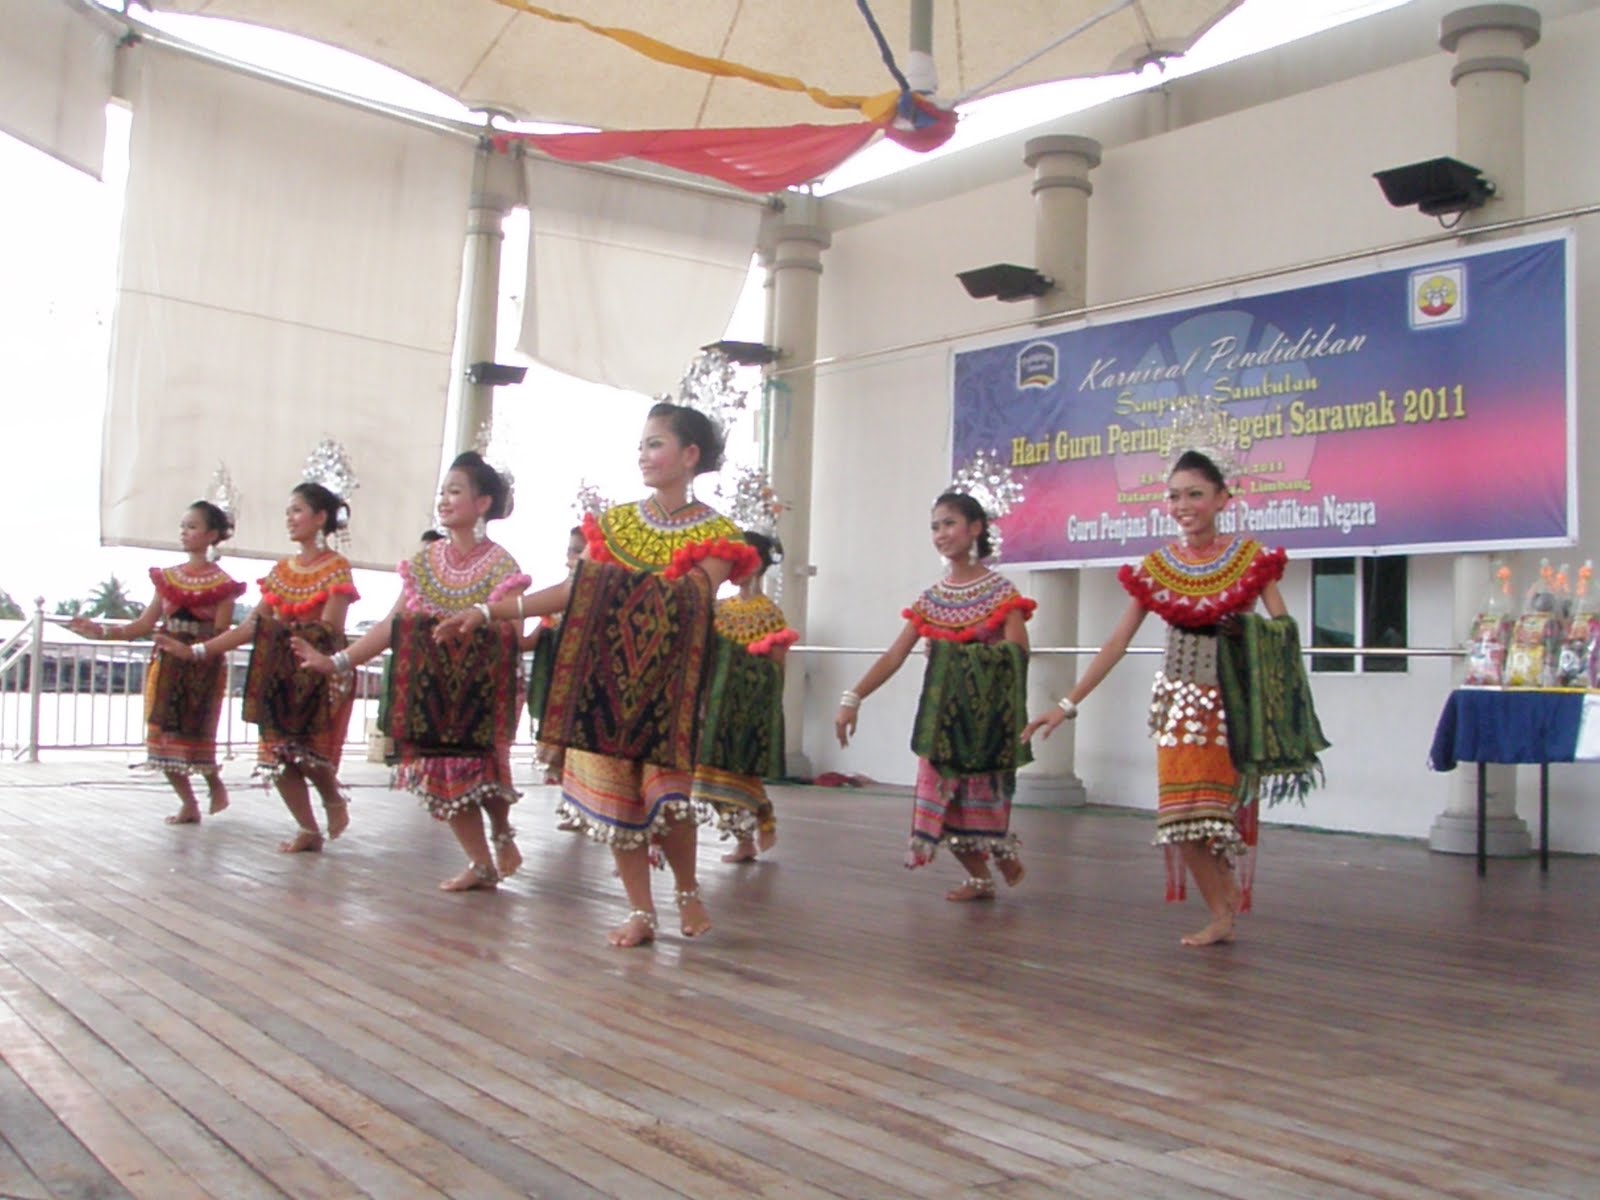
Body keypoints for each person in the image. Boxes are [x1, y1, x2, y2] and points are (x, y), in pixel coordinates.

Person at [439, 403, 759, 946]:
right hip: (606, 678)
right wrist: (489, 612)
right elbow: (573, 590)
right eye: (641, 445)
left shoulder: (718, 533)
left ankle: (687, 891)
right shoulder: (614, 525)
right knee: (615, 799)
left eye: (655, 444)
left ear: (690, 455)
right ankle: (641, 911)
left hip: (669, 687)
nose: (643, 455)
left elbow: (692, 596)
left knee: (668, 796)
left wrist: (605, 589)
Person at [1021, 449, 1289, 947]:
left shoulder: (1253, 560)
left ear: (1222, 499)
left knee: (1213, 815)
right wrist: (1066, 704)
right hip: (1179, 710)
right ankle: (1220, 911)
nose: (1183, 505)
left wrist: (1245, 630)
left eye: (1195, 494)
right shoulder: (1158, 567)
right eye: (1174, 496)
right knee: (1180, 818)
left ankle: (1222, 907)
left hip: (1230, 709)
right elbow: (1116, 642)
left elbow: (1284, 631)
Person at [295, 452, 529, 891]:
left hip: (484, 689)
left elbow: (513, 633)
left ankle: (501, 833)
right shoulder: (424, 563)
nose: (444, 500)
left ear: (482, 503)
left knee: (487, 770)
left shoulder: (502, 566)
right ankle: (481, 863)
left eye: (455, 491)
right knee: (445, 773)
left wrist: (469, 635)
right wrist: (337, 661)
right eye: (442, 492)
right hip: (433, 690)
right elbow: (391, 626)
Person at [833, 493, 1035, 900]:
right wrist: (853, 698)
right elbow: (894, 656)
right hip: (942, 723)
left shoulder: (1001, 593)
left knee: (982, 799)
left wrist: (960, 656)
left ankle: (1000, 854)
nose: (941, 534)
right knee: (937, 801)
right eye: (935, 526)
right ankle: (979, 877)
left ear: (975, 528)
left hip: (985, 724)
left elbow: (1018, 654)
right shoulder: (932, 599)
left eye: (949, 523)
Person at [158, 482, 359, 853]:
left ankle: (332, 799)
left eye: (297, 510)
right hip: (280, 674)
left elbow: (330, 630)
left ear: (320, 518)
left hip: (318, 672)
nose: (290, 518)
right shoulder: (281, 572)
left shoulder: (336, 569)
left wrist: (290, 635)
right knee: (275, 755)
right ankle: (308, 829)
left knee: (308, 754)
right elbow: (251, 626)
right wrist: (197, 651)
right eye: (288, 512)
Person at [71, 501, 246, 825]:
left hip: (203, 668)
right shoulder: (168, 579)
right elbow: (142, 625)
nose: (184, 532)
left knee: (198, 733)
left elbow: (221, 634)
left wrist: (193, 649)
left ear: (211, 535)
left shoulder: (223, 585)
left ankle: (213, 783)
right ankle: (189, 803)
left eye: (192, 526)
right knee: (161, 736)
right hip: (167, 667)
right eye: (183, 526)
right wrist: (101, 631)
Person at [692, 530, 797, 862]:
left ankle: (749, 834)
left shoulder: (770, 615)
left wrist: (767, 711)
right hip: (714, 705)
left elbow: (777, 667)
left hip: (747, 709)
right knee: (705, 775)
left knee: (737, 774)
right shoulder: (719, 608)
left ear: (759, 565)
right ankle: (748, 833)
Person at [524, 525, 586, 811]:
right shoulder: (555, 602)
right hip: (559, 693)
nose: (572, 556)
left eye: (578, 550)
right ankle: (570, 804)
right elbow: (528, 642)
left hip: (586, 694)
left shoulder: (599, 600)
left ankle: (580, 807)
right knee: (563, 752)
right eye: (570, 549)